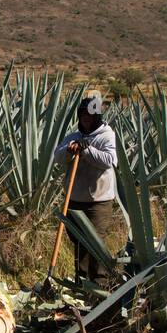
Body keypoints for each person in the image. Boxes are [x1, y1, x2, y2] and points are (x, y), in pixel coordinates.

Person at [57, 90, 120, 286]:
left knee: (96, 243)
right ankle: (82, 284)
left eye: (89, 116)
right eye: (82, 116)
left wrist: (88, 150)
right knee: (78, 244)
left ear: (96, 117)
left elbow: (110, 160)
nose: (85, 119)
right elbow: (57, 158)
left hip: (98, 202)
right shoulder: (73, 136)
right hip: (74, 199)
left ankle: (100, 284)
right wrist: (69, 150)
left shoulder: (106, 135)